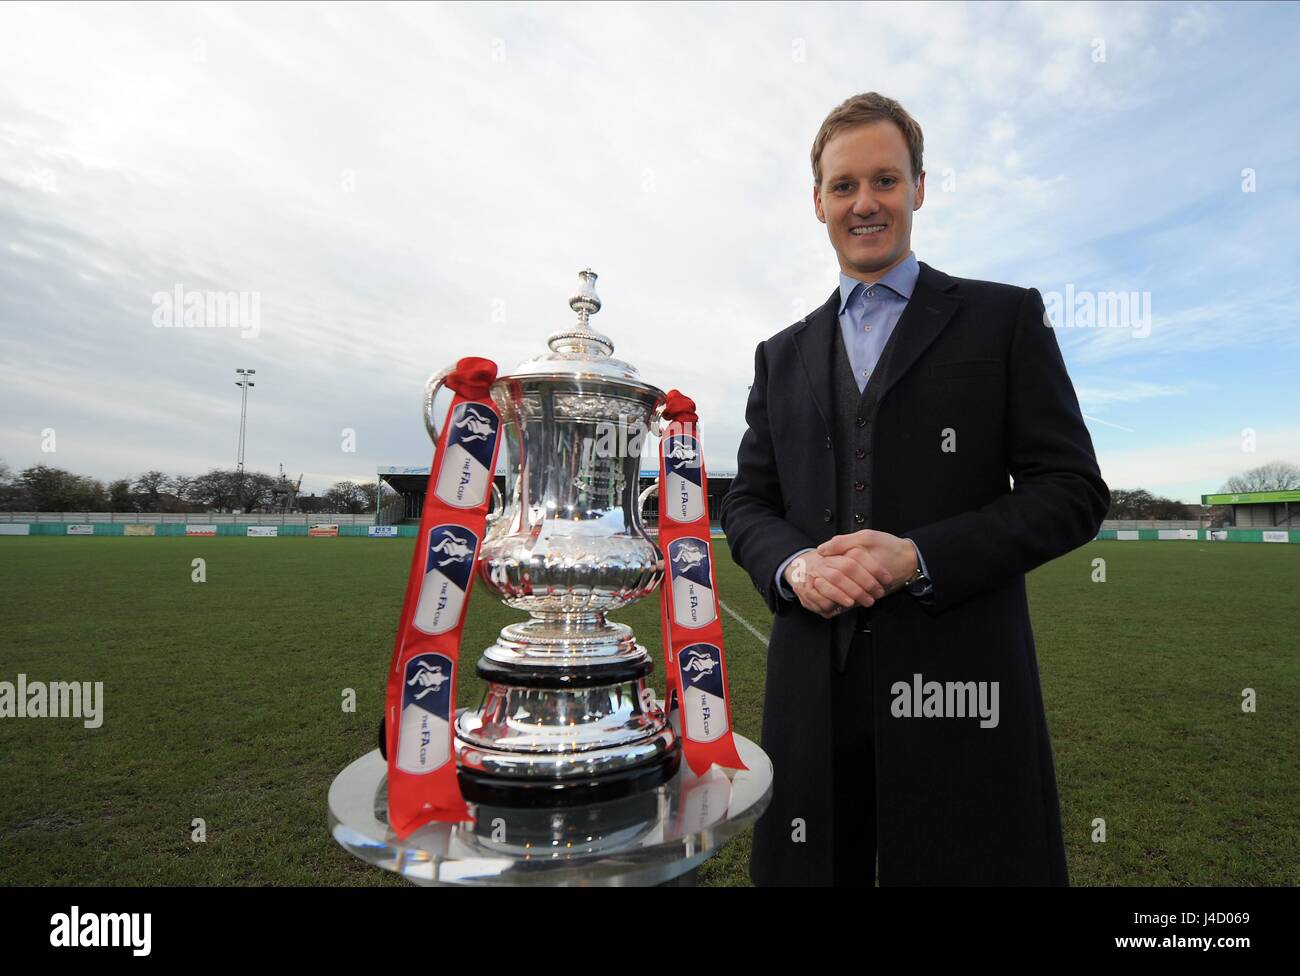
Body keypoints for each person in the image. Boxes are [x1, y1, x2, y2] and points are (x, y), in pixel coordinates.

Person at [718, 92, 1109, 886]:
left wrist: (919, 556)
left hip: (960, 685)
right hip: (811, 697)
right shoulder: (780, 354)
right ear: (818, 202)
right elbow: (747, 503)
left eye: (886, 181)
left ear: (919, 189)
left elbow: (1071, 489)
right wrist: (796, 568)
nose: (865, 203)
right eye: (844, 185)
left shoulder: (1003, 319)